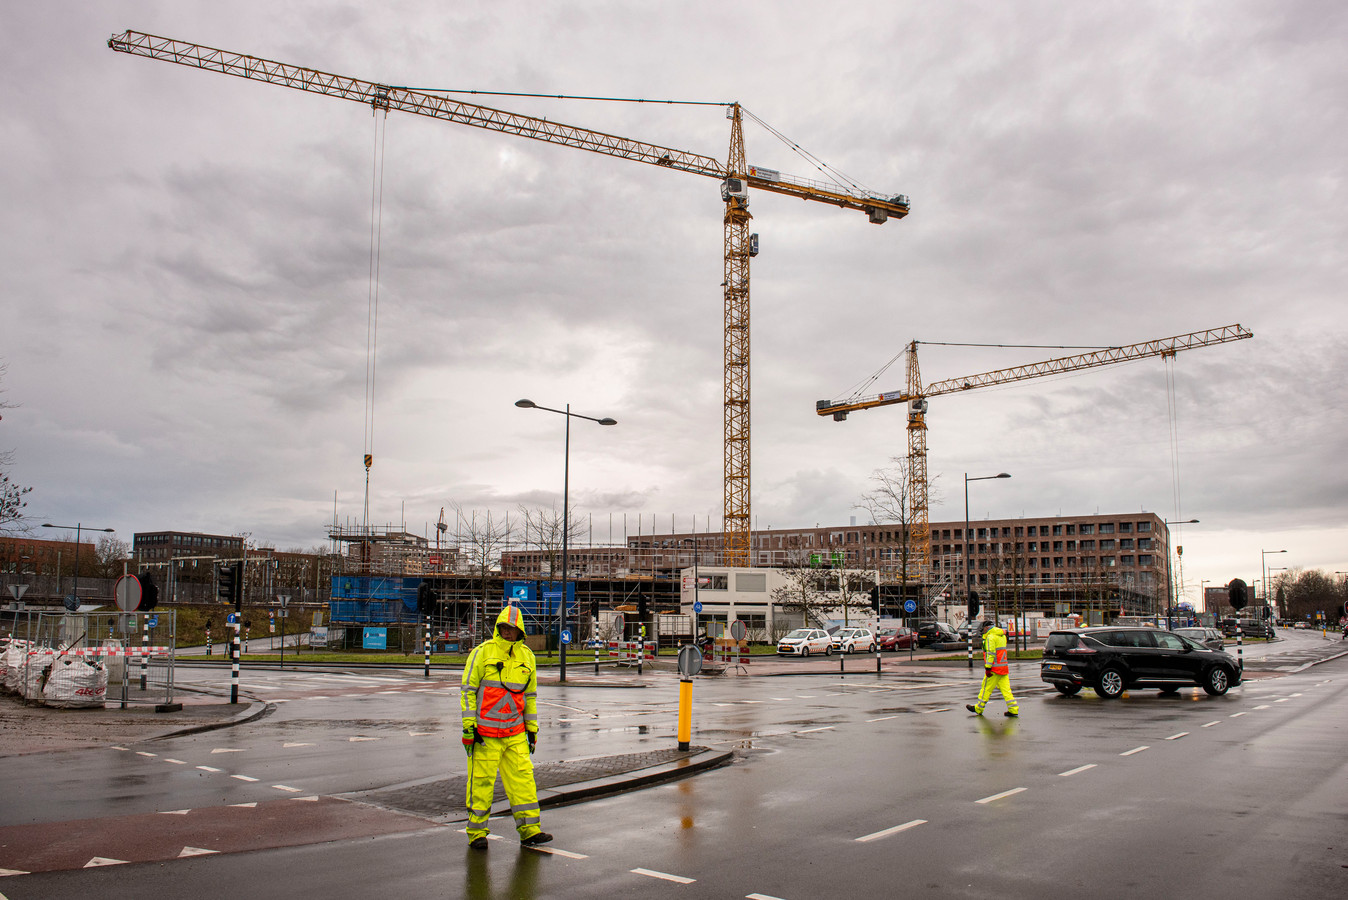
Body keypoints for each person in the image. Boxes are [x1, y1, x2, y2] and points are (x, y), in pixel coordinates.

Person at [461, 605, 552, 849]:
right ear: (498, 628)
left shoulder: (528, 657)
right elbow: (468, 691)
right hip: (485, 734)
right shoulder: (483, 653)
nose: (507, 632)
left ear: (519, 630)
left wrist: (531, 729)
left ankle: (530, 831)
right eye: (503, 628)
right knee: (481, 782)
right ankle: (477, 833)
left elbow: (530, 697)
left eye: (512, 629)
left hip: (515, 733)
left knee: (523, 781)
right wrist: (469, 726)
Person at [967, 619, 1019, 717]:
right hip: (1003, 668)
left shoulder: (990, 637)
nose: (983, 631)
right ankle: (1013, 709)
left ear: (987, 628)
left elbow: (991, 654)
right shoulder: (1002, 636)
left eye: (984, 629)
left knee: (986, 688)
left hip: (994, 669)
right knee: (1006, 690)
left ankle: (978, 708)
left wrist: (988, 668)